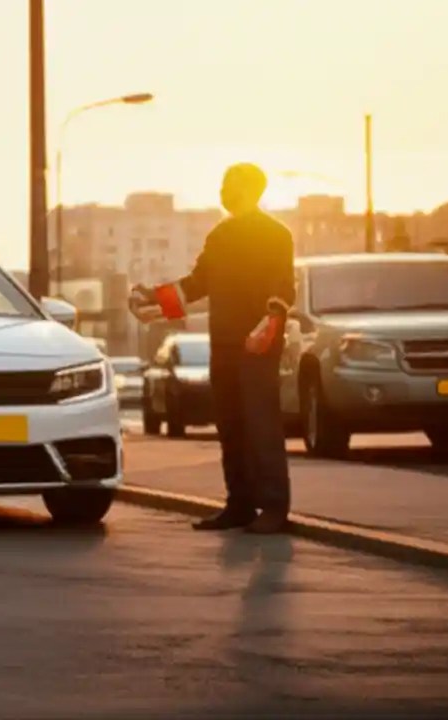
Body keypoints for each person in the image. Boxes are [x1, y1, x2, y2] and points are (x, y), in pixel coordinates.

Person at [129, 163, 295, 534]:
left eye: (229, 185)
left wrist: (270, 321)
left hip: (258, 345)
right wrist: (153, 296)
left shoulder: (276, 234)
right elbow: (197, 283)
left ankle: (274, 507)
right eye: (223, 185)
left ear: (252, 189)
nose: (223, 192)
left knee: (261, 424)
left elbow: (284, 287)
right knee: (230, 425)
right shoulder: (220, 235)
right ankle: (239, 504)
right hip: (223, 342)